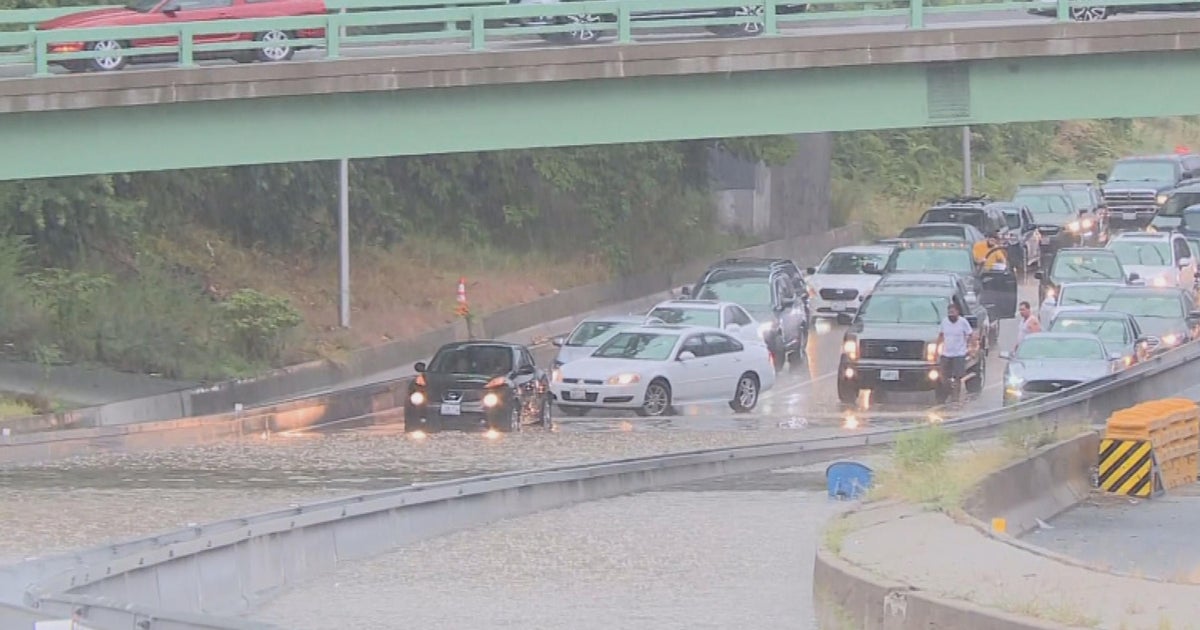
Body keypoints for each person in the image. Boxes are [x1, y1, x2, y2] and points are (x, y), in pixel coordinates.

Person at [936, 303, 974, 395]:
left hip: (959, 354)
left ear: (957, 312)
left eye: (953, 312)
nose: (951, 314)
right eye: (949, 312)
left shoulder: (963, 322)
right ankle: (948, 390)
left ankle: (955, 398)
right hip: (946, 354)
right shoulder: (944, 322)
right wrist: (937, 349)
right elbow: (941, 336)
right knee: (943, 376)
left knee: (957, 377)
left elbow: (970, 334)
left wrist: (969, 346)